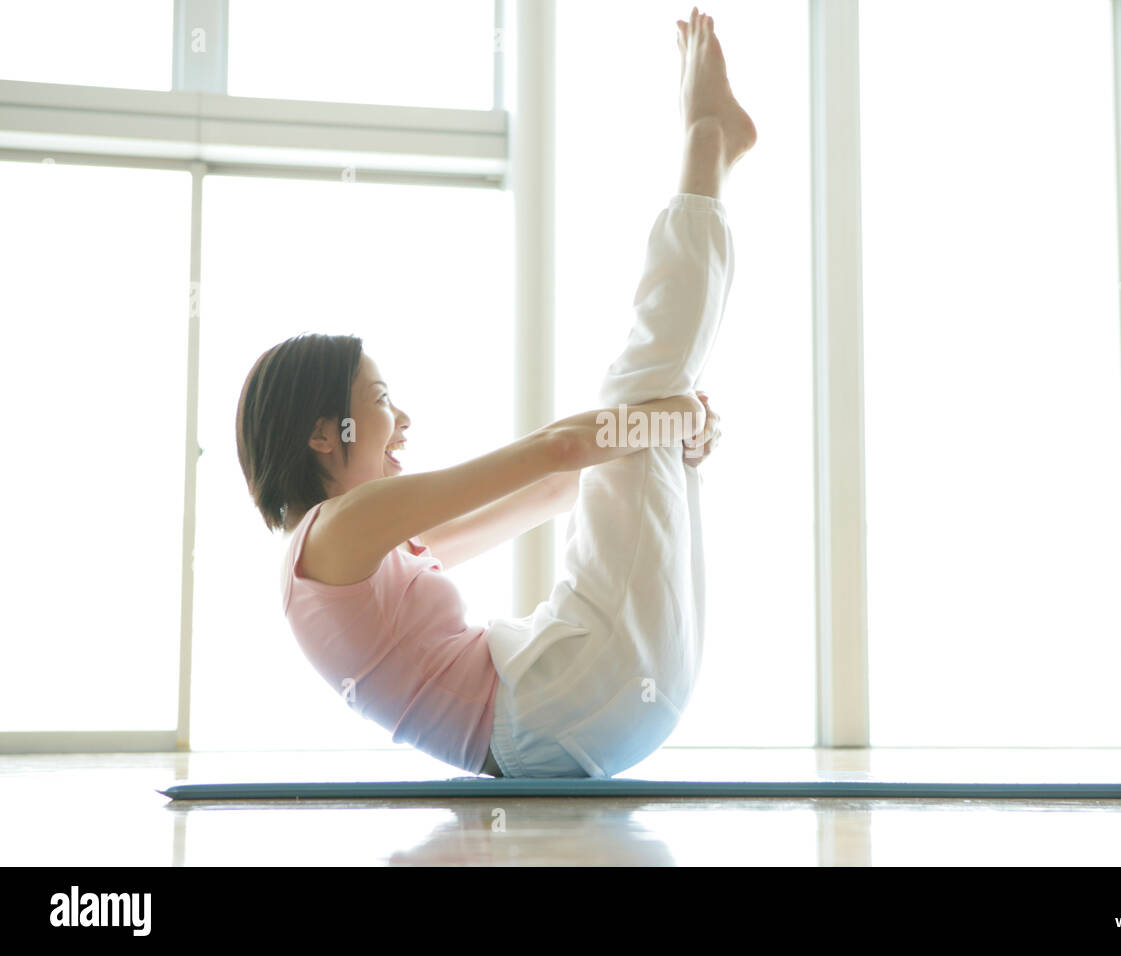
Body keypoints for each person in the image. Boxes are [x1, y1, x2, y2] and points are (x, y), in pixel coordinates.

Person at [238, 7, 754, 777]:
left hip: (596, 715)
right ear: (323, 434)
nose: (403, 419)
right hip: (568, 702)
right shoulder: (336, 531)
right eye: (380, 401)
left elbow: (556, 487)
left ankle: (710, 144)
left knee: (640, 414)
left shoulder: (354, 561)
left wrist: (672, 437)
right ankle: (705, 140)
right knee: (633, 391)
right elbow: (560, 447)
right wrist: (657, 420)